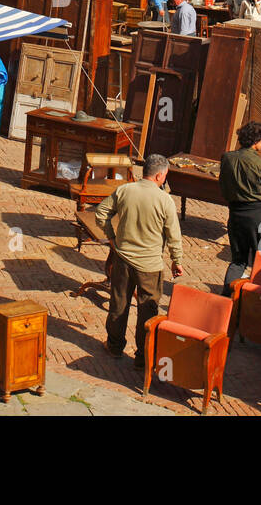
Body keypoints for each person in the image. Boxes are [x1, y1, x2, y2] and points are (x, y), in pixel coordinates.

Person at [95, 154, 184, 368]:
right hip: (150, 267)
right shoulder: (165, 201)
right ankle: (142, 358)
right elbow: (174, 236)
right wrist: (176, 260)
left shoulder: (125, 190)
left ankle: (114, 347)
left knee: (119, 304)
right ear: (160, 175)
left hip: (123, 259)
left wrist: (112, 238)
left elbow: (101, 213)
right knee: (148, 310)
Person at [219, 121, 261, 288]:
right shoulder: (260, 163)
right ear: (256, 140)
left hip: (235, 214)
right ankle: (255, 295)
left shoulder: (227, 158)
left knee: (238, 260)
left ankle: (228, 294)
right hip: (257, 215)